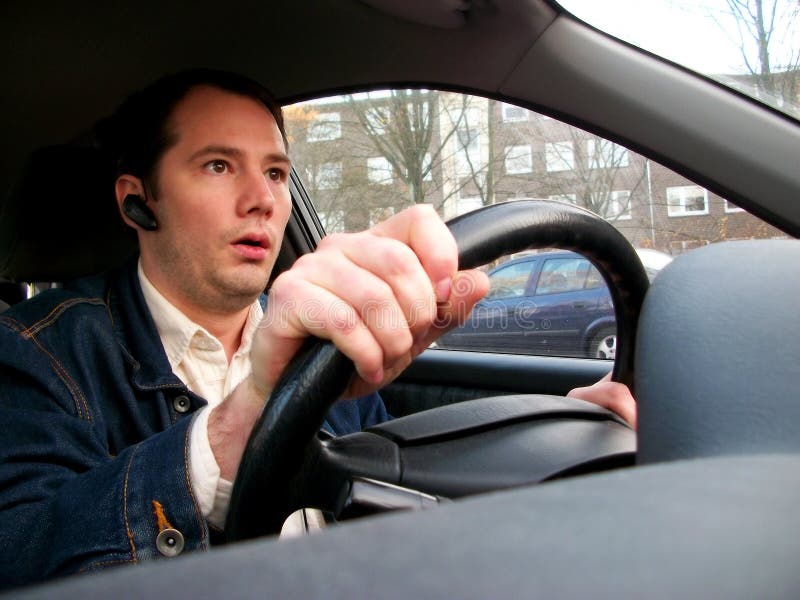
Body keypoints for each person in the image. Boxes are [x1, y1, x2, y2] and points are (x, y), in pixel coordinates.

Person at [0, 69, 635, 588]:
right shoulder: (37, 352)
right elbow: (22, 558)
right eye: (219, 166)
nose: (265, 199)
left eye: (276, 172)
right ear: (137, 200)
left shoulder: (326, 330)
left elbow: (383, 493)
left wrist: (562, 439)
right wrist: (235, 427)